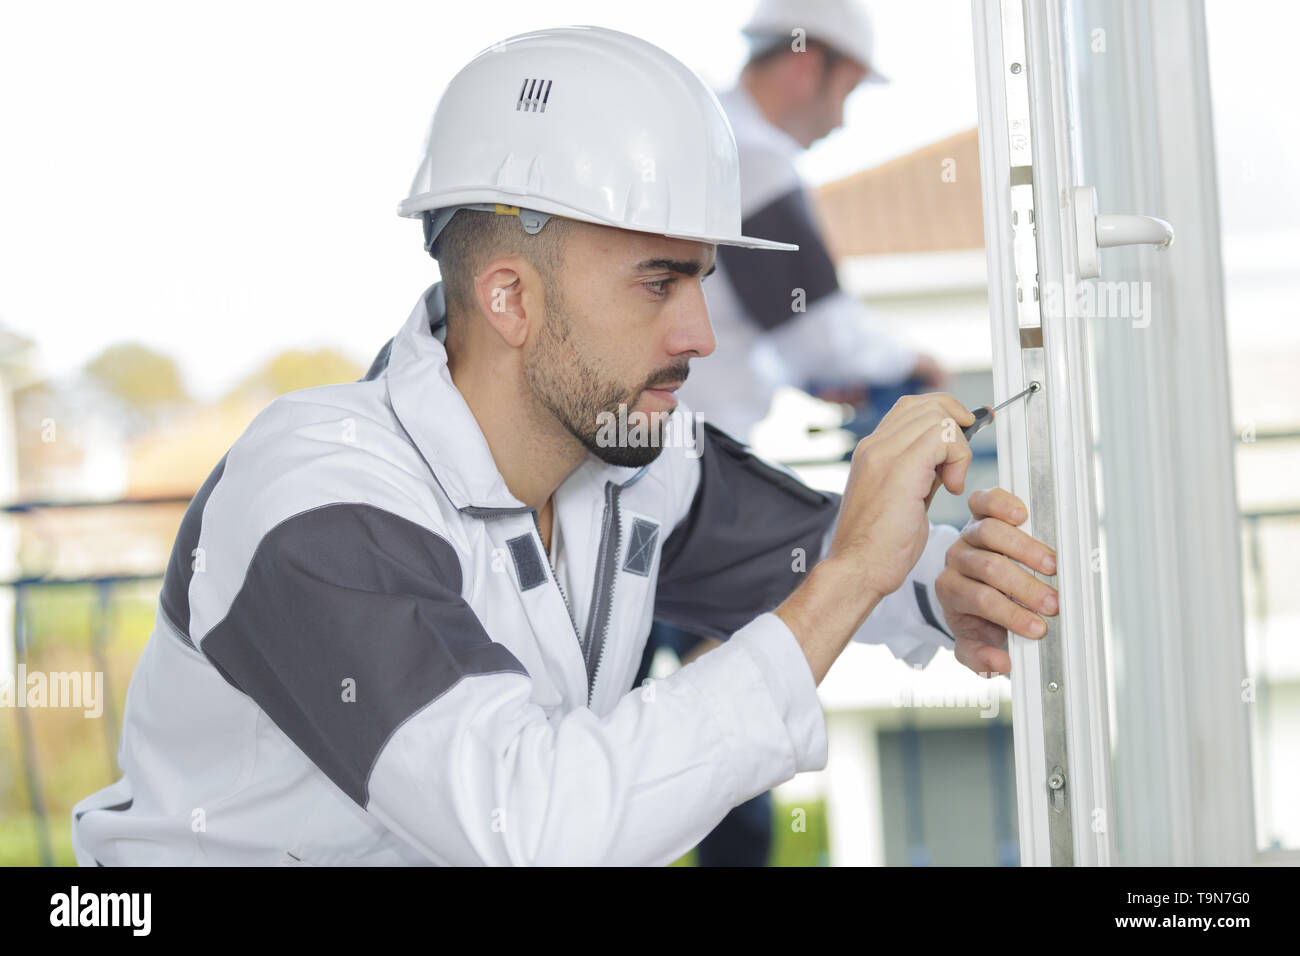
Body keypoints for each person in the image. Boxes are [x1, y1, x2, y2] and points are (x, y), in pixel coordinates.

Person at [70, 25, 1059, 866]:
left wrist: (953, 581)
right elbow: (530, 824)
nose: (701, 335)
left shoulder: (631, 458)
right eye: (658, 281)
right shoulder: (317, 499)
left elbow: (819, 552)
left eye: (703, 281)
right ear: (509, 297)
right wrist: (849, 576)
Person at [676, 0, 946, 443]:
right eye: (847, 91)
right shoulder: (751, 156)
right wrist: (911, 361)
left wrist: (810, 374)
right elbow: (819, 333)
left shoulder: (708, 136)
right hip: (701, 451)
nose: (841, 120)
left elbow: (753, 319)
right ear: (806, 65)